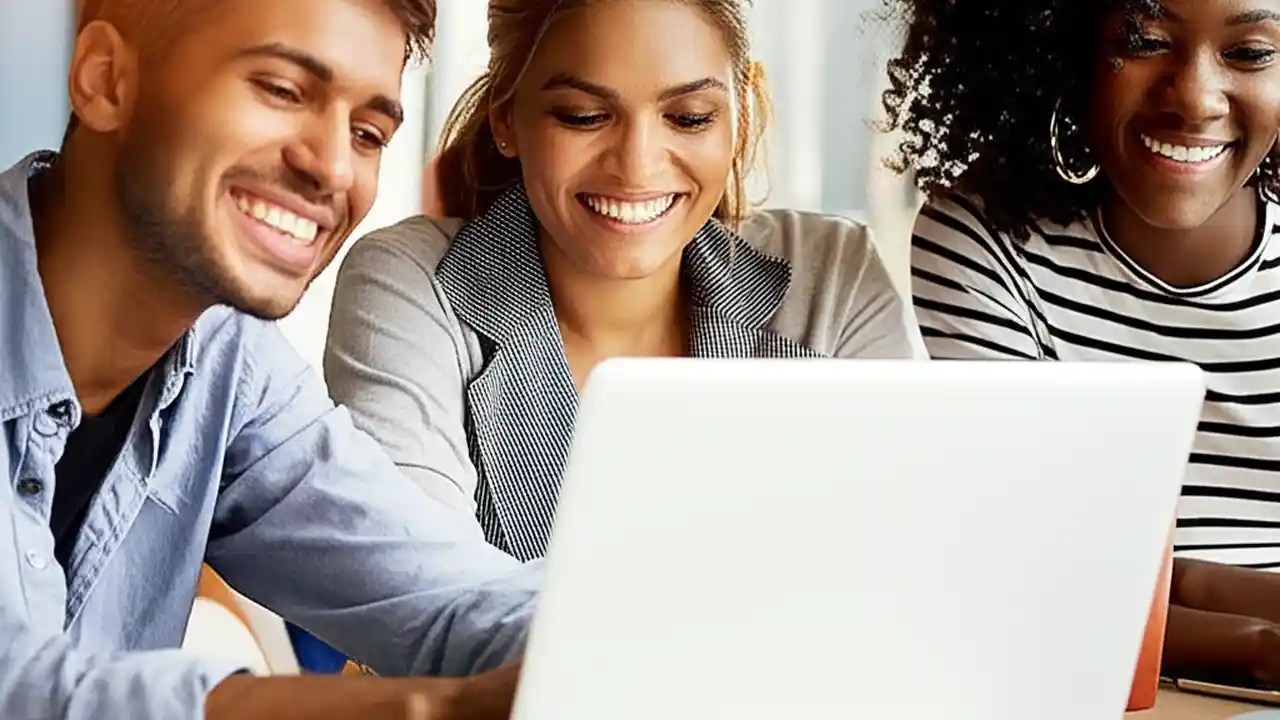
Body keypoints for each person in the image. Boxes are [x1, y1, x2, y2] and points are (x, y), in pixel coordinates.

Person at [2, 0, 541, 718]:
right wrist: (429, 709)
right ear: (105, 79)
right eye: (283, 90)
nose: (331, 167)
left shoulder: (230, 362)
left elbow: (447, 597)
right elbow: (23, 690)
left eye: (368, 132)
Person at [323, 0, 923, 563]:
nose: (637, 164)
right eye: (584, 117)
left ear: (740, 117)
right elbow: (422, 591)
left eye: (689, 118)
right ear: (505, 118)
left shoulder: (832, 279)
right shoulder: (413, 283)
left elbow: (909, 553)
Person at [881, 0, 1280, 687]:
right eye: (1144, 39)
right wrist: (1260, 649)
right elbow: (1026, 583)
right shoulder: (984, 242)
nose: (1194, 98)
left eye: (1249, 54)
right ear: (1061, 46)